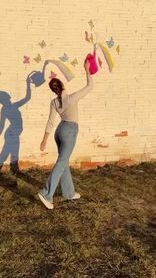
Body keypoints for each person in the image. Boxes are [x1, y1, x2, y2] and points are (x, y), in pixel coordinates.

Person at [38, 60, 93, 209]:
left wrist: (44, 140)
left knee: (64, 162)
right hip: (69, 132)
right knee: (61, 162)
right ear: (62, 86)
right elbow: (90, 86)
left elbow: (50, 122)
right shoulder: (72, 97)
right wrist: (87, 70)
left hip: (59, 131)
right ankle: (46, 194)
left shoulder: (54, 102)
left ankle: (69, 193)